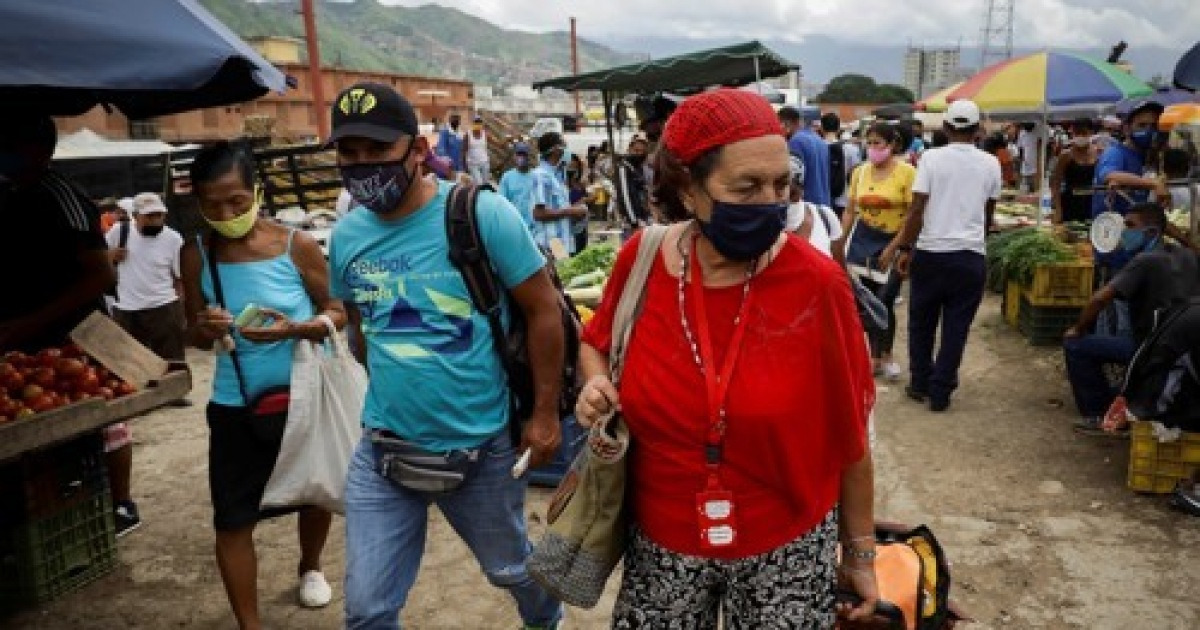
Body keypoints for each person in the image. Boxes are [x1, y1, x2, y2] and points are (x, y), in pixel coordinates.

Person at [575, 88, 878, 628]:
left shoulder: (818, 282)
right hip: (661, 544)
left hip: (785, 547)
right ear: (690, 190)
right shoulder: (641, 259)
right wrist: (595, 385)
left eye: (781, 184)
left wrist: (858, 553)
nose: (771, 201)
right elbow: (596, 342)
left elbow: (850, 432)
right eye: (747, 187)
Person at [323, 82, 565, 630]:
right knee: (367, 610)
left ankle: (546, 619)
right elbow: (362, 330)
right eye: (349, 152)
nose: (361, 166)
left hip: (483, 450)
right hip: (384, 452)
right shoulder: (346, 239)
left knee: (511, 570)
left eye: (376, 151)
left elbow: (543, 311)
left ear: (416, 149)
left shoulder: (482, 214)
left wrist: (544, 413)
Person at [181, 141, 344, 629]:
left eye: (235, 200)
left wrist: (295, 328)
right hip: (235, 403)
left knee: (313, 491)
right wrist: (204, 327)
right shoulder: (196, 254)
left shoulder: (297, 245)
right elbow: (188, 326)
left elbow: (338, 311)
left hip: (302, 397)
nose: (226, 213)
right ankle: (249, 623)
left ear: (255, 191)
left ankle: (310, 565)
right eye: (212, 205)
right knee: (232, 520)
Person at [0, 112, 119, 529]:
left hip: (72, 339)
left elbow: (103, 275)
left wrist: (33, 321)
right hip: (23, 346)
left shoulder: (62, 196)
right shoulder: (8, 193)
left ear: (39, 151)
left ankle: (108, 509)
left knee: (86, 434)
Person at [895, 99, 1002, 412]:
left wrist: (905, 247)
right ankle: (941, 391)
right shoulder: (990, 163)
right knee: (956, 327)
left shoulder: (931, 159)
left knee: (921, 322)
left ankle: (920, 382)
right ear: (978, 129)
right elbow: (988, 212)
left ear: (945, 127)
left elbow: (917, 208)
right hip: (969, 256)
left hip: (931, 253)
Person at [1063, 203, 1200, 434]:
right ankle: (1123, 396)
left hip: (1149, 350)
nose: (1124, 232)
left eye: (1130, 226)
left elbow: (1099, 300)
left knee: (1076, 345)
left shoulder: (1144, 261)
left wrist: (1077, 328)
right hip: (1185, 353)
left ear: (1151, 232)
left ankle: (1096, 414)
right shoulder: (1189, 256)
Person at [840, 122, 916, 380]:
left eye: (878, 143)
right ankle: (872, 358)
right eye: (869, 143)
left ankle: (887, 355)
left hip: (894, 241)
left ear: (892, 145)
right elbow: (851, 210)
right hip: (863, 241)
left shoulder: (907, 173)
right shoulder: (860, 173)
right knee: (866, 302)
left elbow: (912, 215)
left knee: (884, 300)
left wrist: (896, 247)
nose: (873, 148)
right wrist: (839, 241)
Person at [530, 132, 588, 257]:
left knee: (564, 273)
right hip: (552, 243)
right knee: (558, 274)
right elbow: (539, 213)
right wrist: (571, 211)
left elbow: (559, 209)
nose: (568, 150)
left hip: (562, 242)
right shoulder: (541, 176)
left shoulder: (557, 176)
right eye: (565, 145)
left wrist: (577, 212)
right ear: (556, 149)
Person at [785, 154, 844, 261]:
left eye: (792, 194)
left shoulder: (825, 216)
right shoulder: (760, 228)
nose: (786, 200)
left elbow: (840, 271)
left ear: (801, 189)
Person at [779, 105, 833, 206]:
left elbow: (794, 179)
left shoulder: (796, 141)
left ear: (786, 124)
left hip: (807, 206)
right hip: (824, 204)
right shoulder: (819, 139)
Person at [1050, 119, 1099, 225]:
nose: (1080, 136)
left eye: (1084, 133)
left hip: (1090, 203)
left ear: (1091, 133)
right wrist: (1057, 209)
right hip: (1070, 203)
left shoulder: (1097, 153)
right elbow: (1055, 183)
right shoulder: (1066, 155)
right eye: (1077, 133)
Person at [822, 112, 861, 218]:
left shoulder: (817, 147)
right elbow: (855, 173)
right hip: (843, 199)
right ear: (838, 128)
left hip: (823, 198)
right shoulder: (851, 148)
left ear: (822, 128)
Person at [613, 135, 652, 236]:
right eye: (636, 150)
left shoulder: (637, 168)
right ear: (629, 149)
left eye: (642, 151)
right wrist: (634, 221)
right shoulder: (623, 168)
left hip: (642, 219)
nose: (639, 154)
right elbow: (625, 196)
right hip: (632, 222)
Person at [498, 141, 537, 230]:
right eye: (519, 154)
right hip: (515, 225)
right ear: (514, 156)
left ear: (529, 157)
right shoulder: (507, 177)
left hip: (534, 227)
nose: (521, 158)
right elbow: (502, 202)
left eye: (524, 154)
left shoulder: (536, 176)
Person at [566, 153, 593, 254]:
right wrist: (581, 202)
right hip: (569, 227)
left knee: (581, 252)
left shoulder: (580, 184)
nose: (573, 170)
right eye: (570, 167)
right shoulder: (562, 185)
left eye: (575, 167)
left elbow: (590, 197)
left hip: (581, 225)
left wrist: (587, 200)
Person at [463, 115, 491, 185]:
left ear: (481, 124)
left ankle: (481, 195)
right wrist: (464, 166)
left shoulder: (485, 134)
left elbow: (498, 143)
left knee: (485, 184)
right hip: (473, 164)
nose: (477, 124)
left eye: (479, 123)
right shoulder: (468, 135)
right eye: (476, 122)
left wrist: (507, 140)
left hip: (484, 162)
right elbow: (463, 151)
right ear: (473, 124)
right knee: (479, 183)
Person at [1017, 122, 1041, 193]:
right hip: (1025, 166)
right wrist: (1022, 160)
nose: (1027, 129)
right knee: (1025, 189)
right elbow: (1020, 148)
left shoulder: (1038, 132)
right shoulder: (1021, 133)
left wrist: (1039, 165)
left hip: (1036, 166)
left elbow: (1040, 148)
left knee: (1035, 189)